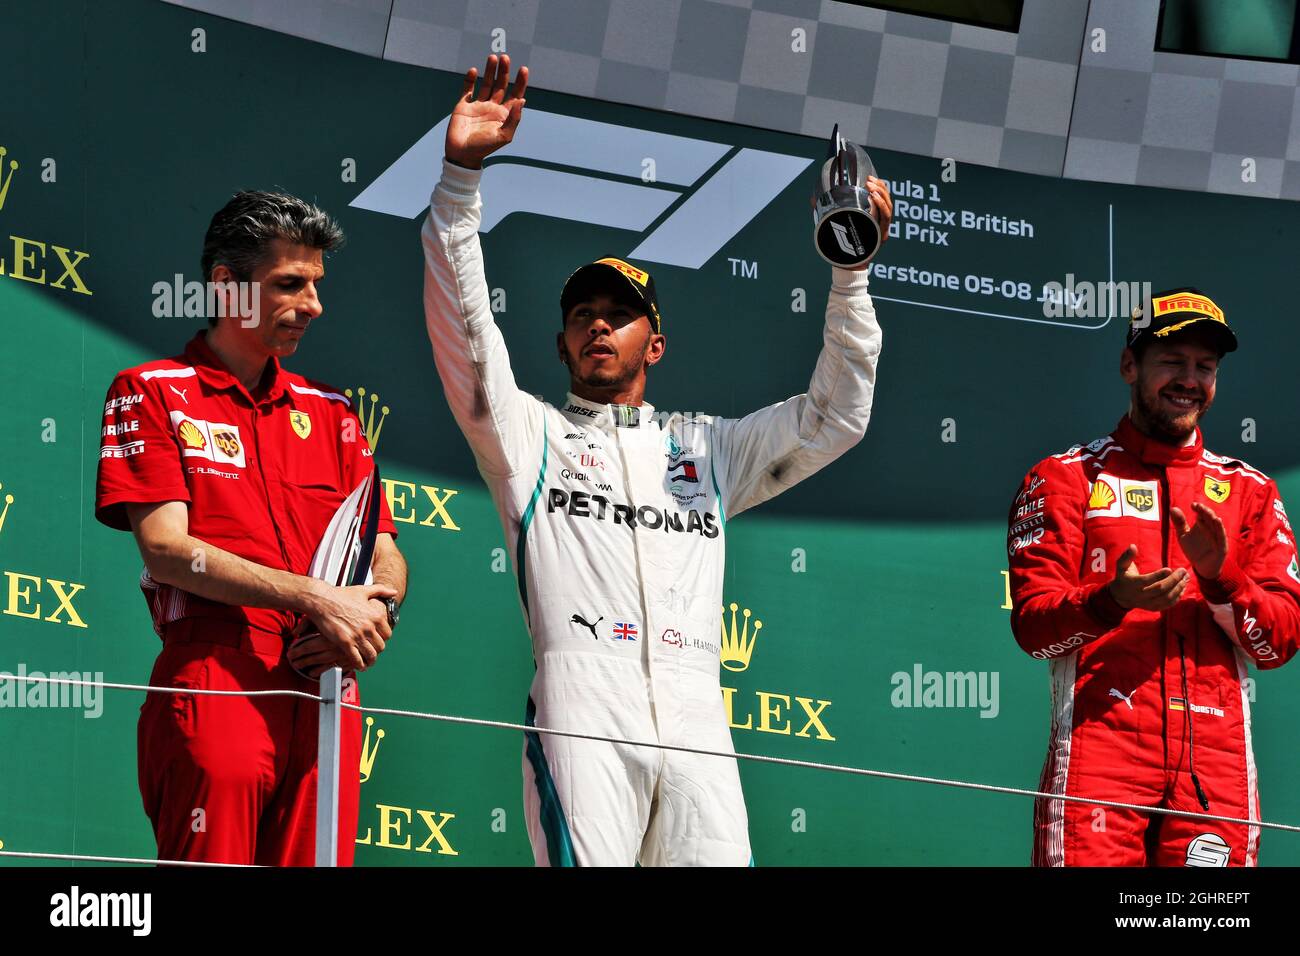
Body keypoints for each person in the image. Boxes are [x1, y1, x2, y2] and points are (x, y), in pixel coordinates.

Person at [422, 54, 888, 866]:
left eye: (620, 315)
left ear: (656, 343)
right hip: (582, 704)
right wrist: (461, 184)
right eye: (581, 316)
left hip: (698, 714)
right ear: (561, 342)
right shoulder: (530, 437)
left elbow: (833, 418)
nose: (598, 327)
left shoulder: (708, 449)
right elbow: (469, 344)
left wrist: (852, 274)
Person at [94, 191, 407, 866]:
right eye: (289, 285)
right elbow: (168, 551)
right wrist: (318, 600)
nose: (313, 305)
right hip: (217, 674)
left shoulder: (333, 414)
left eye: (317, 285)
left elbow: (382, 550)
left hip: (326, 688)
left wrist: (372, 610)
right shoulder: (151, 390)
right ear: (226, 287)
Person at [1008, 287, 1300, 867]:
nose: (1189, 379)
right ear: (1128, 366)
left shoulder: (1251, 491)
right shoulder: (1065, 477)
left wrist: (1223, 579)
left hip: (1216, 771)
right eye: (1172, 361)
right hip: (1100, 755)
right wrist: (1110, 601)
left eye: (1205, 367)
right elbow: (1034, 630)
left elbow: (1281, 640)